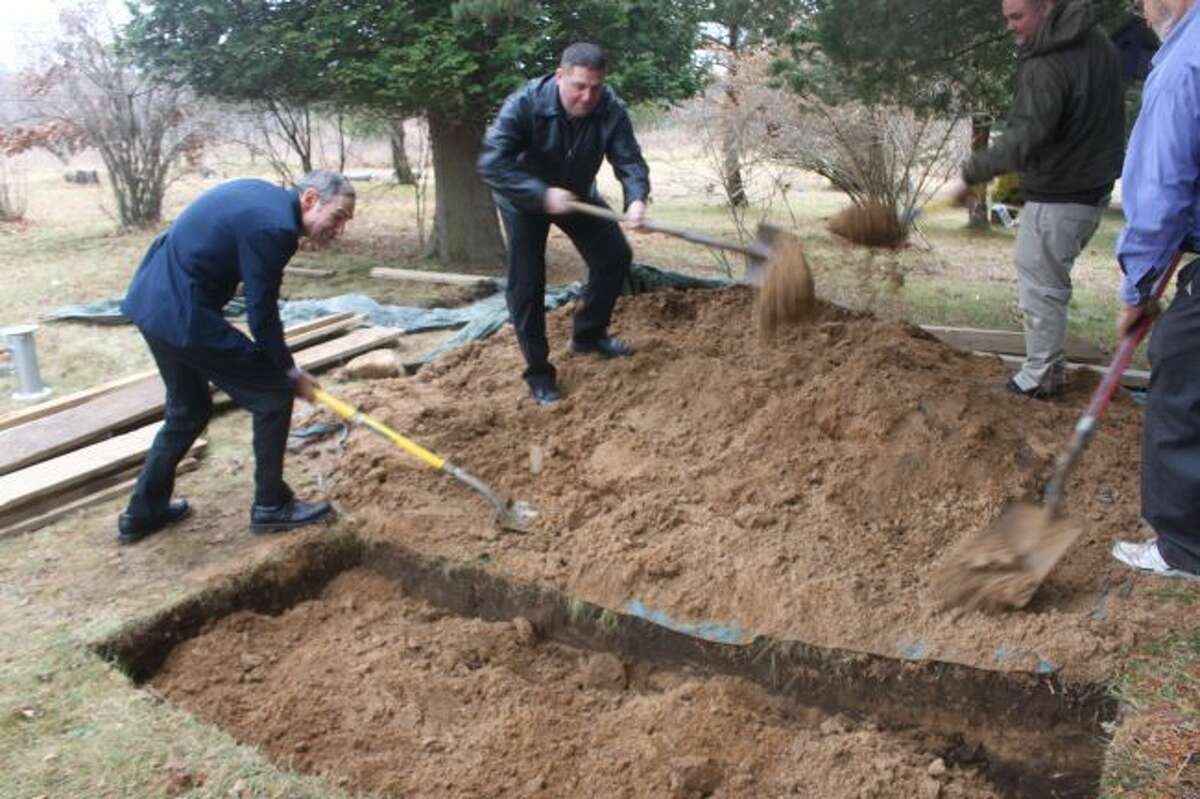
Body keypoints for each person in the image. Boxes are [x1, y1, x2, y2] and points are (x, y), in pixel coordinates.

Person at [116, 171, 355, 544]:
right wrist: (290, 372)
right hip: (182, 310)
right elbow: (261, 312)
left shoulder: (265, 200)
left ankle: (142, 513)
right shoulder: (275, 229)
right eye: (337, 217)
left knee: (188, 410)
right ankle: (271, 506)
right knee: (273, 396)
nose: (339, 230)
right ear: (310, 199)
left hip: (152, 299)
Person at [951, 0, 1124, 399]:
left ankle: (1040, 378)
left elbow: (1025, 137)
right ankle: (1050, 367)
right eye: (1007, 18)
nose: (1012, 27)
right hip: (1092, 188)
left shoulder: (1048, 61)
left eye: (1018, 17)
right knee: (1047, 279)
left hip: (1061, 193)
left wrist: (971, 175)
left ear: (1046, 7)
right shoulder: (1097, 42)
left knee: (1040, 284)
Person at [478, 41, 649, 407]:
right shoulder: (524, 104)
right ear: (560, 77)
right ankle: (539, 373)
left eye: (596, 87)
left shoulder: (610, 109)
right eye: (579, 86)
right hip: (522, 199)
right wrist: (540, 194)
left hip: (575, 193)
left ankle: (588, 335)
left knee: (614, 256)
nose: (588, 97)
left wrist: (636, 199)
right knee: (527, 282)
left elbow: (630, 160)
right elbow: (493, 163)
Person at [1110, 0, 1200, 579]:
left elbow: (1161, 186)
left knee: (1180, 378)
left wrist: (1138, 290)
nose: (1143, 12)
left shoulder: (1182, 65)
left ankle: (1185, 549)